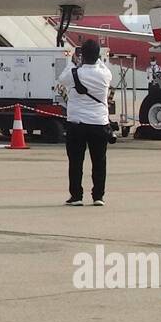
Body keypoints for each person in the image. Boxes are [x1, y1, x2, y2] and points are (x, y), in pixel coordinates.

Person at [57, 39, 112, 206]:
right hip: (99, 123)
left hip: (77, 123)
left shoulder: (74, 74)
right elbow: (103, 67)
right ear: (98, 56)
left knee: (75, 161)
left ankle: (76, 196)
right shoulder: (105, 75)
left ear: (82, 55)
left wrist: (73, 62)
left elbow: (62, 78)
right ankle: (98, 196)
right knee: (99, 161)